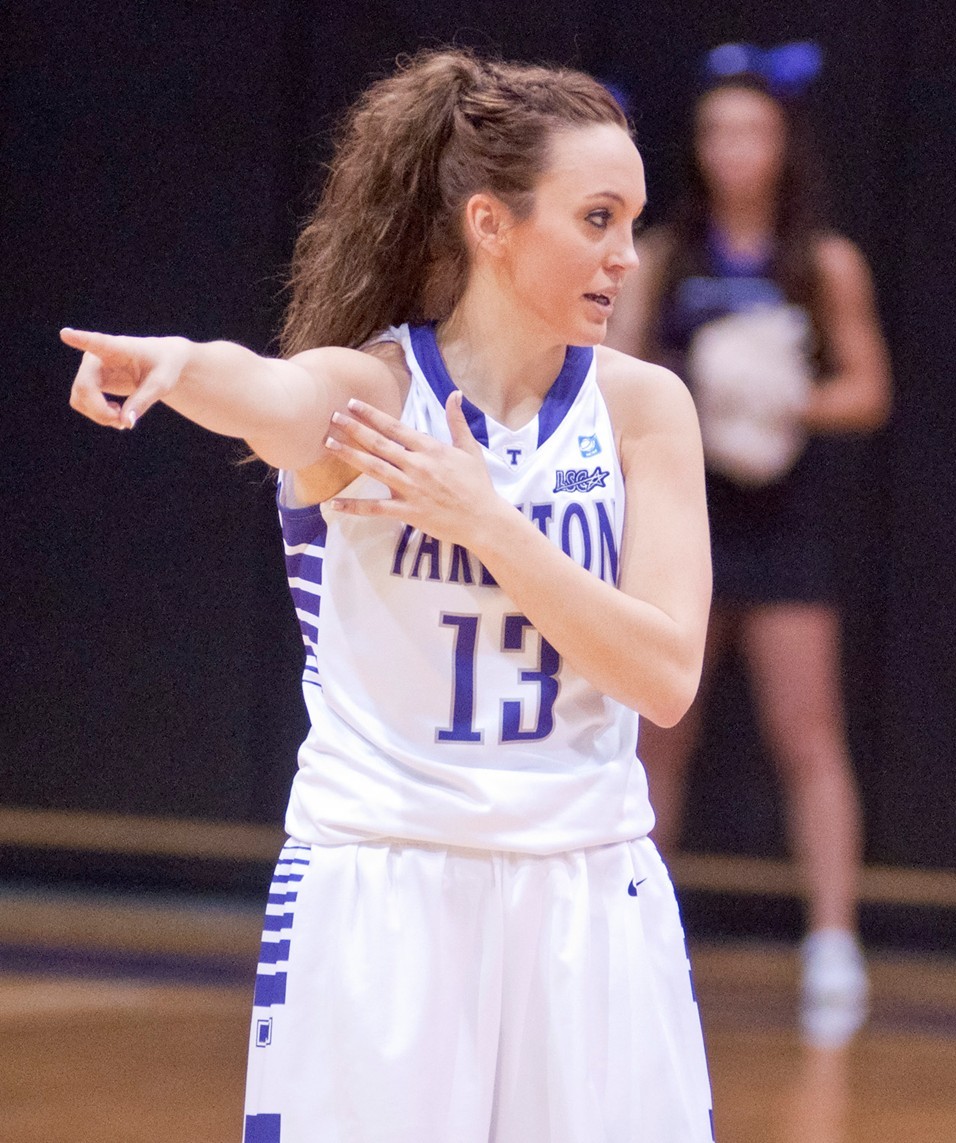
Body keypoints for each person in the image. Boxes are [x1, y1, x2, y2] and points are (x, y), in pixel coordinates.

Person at [62, 48, 715, 1143]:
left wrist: (489, 525)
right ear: (490, 224)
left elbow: (662, 676)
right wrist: (178, 363)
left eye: (632, 223)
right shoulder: (372, 393)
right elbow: (270, 391)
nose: (625, 255)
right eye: (597, 218)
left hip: (589, 888)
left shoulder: (645, 409)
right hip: (385, 887)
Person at [607, 44, 891, 1046]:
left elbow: (868, 388)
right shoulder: (661, 258)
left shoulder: (820, 262)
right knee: (656, 735)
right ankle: (630, 928)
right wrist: (697, 403)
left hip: (784, 522)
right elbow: (614, 370)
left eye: (752, 132)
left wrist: (781, 400)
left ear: (782, 144)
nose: (734, 151)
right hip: (686, 519)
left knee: (807, 735)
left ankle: (832, 942)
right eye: (717, 132)